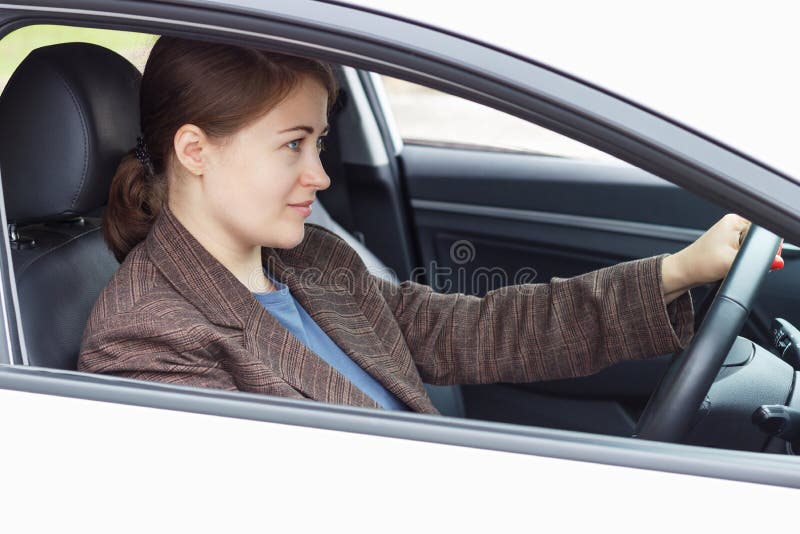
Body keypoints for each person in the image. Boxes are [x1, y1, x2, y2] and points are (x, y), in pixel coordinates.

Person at [78, 36, 750, 414]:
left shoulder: (313, 259)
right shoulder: (146, 341)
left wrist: (678, 271)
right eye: (293, 145)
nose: (320, 175)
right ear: (195, 150)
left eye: (319, 143)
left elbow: (473, 330)